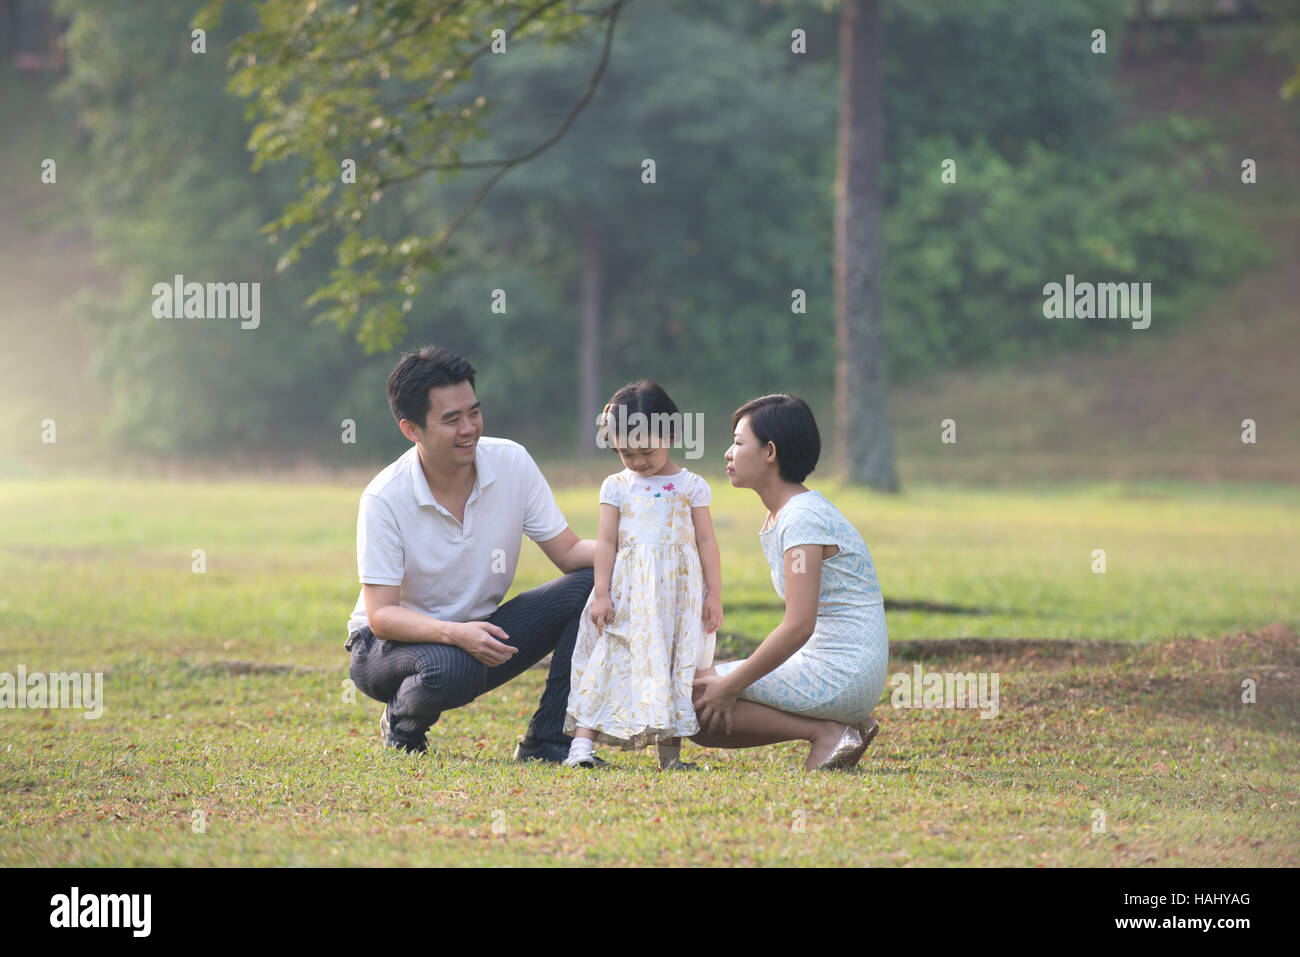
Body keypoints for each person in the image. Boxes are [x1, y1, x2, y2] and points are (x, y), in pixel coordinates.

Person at [344, 345, 600, 762]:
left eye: (474, 412)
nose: (470, 428)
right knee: (452, 667)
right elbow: (382, 615)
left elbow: (570, 552)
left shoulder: (512, 462)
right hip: (386, 647)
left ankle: (549, 739)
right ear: (412, 430)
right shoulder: (384, 497)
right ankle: (402, 724)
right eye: (451, 420)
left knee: (589, 583)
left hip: (476, 633)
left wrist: (639, 547)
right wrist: (455, 634)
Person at [691, 393, 888, 771]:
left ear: (770, 452)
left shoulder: (801, 518)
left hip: (842, 672)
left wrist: (730, 684)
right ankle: (840, 728)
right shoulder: (789, 514)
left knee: (691, 700)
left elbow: (799, 624)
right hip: (838, 667)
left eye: (737, 442)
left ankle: (827, 734)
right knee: (698, 704)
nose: (728, 454)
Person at [563, 380, 722, 769]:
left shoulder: (691, 486)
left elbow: (706, 543)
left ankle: (670, 757)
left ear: (670, 434)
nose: (637, 461)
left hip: (678, 599)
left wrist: (713, 595)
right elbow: (606, 543)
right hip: (628, 593)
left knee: (673, 663)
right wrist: (601, 593)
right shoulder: (616, 486)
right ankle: (581, 749)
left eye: (646, 451)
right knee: (609, 659)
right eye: (625, 453)